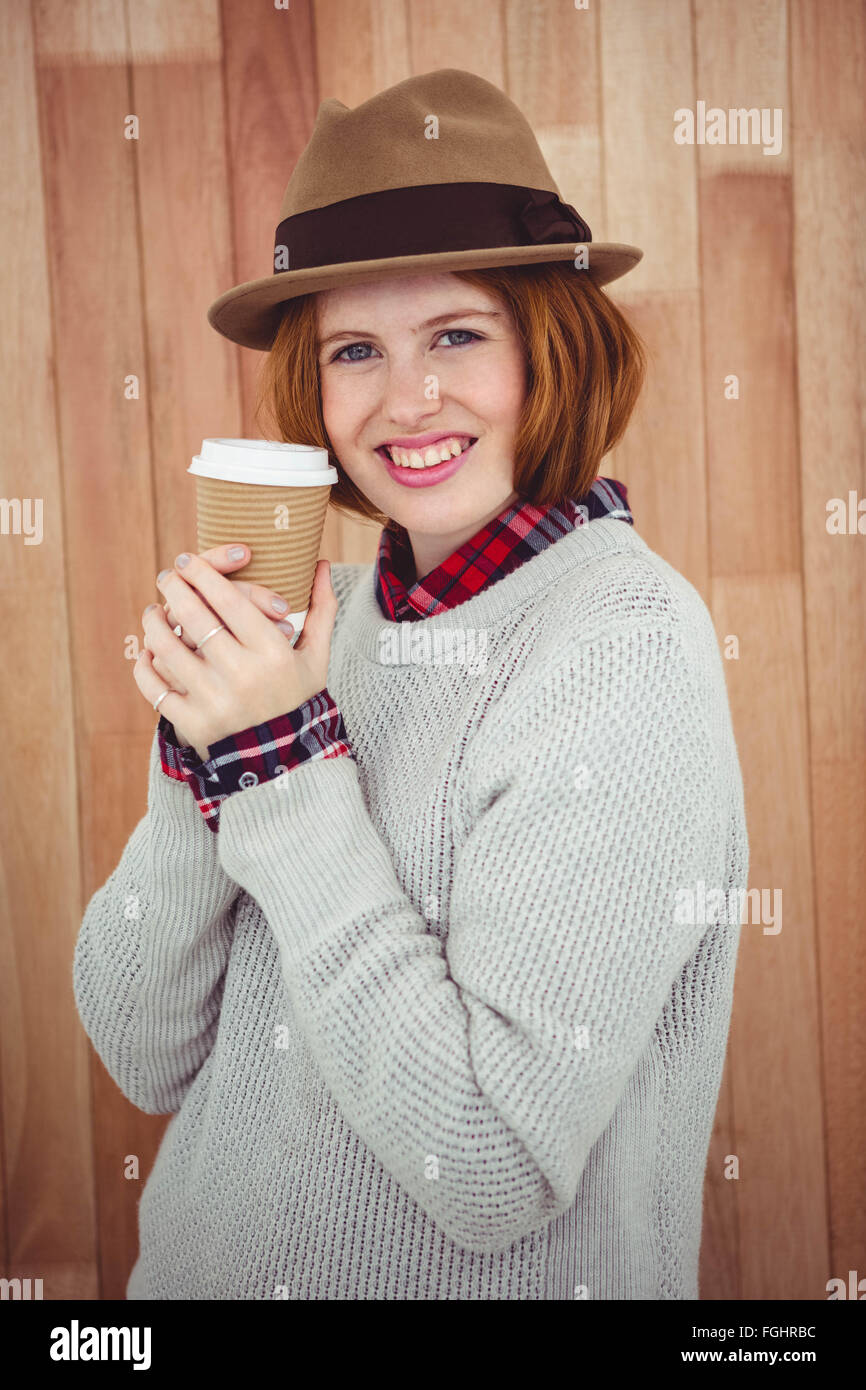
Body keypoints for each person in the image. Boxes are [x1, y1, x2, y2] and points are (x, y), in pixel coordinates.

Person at [73, 69, 749, 1300]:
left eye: (455, 334)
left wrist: (279, 760)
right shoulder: (328, 626)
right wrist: (203, 749)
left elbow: (488, 1164)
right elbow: (141, 1051)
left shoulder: (623, 647)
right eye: (355, 350)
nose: (406, 399)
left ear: (551, 344)